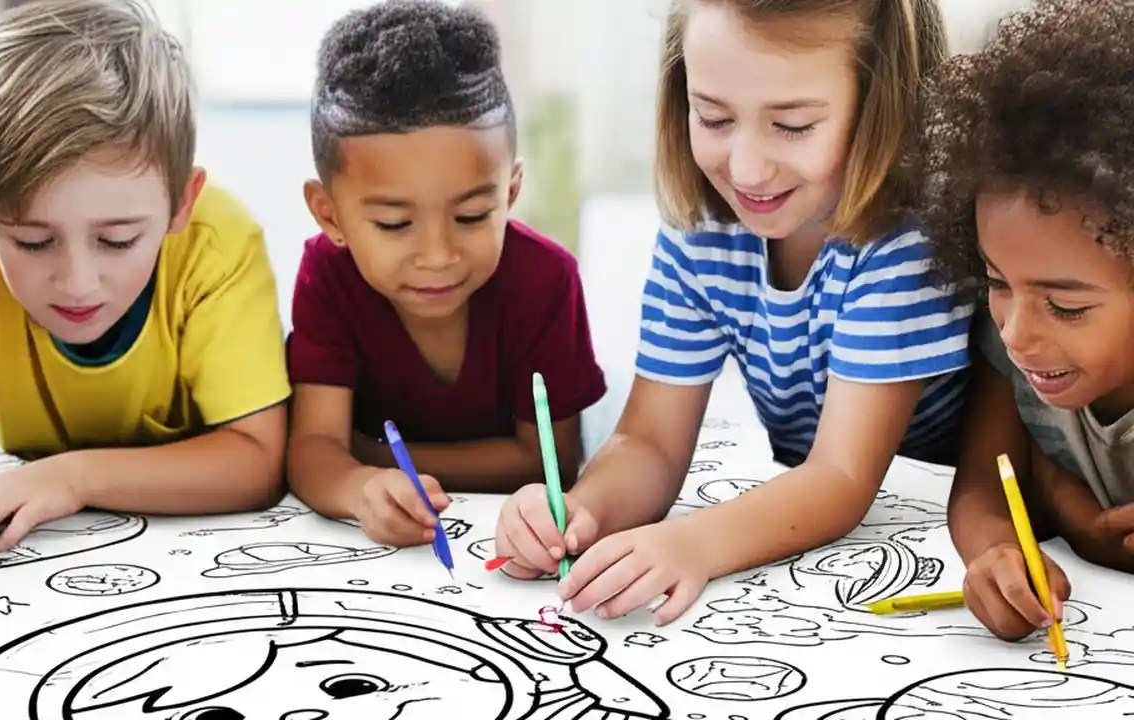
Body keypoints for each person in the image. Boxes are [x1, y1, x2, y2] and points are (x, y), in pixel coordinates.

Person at [496, 0, 971, 625]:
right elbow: (649, 441)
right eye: (713, 117)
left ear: (883, 105)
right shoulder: (704, 231)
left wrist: (693, 543)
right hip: (819, 529)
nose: (745, 170)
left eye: (794, 125)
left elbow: (841, 477)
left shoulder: (905, 244)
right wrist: (581, 510)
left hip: (944, 534)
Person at [0, 0, 290, 563]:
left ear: (182, 200)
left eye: (117, 240)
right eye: (33, 242)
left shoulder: (219, 243)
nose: (77, 284)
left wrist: (76, 478)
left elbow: (256, 459)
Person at [286, 0, 606, 548]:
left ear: (510, 191)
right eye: (393, 223)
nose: (437, 255)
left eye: (472, 216)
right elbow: (312, 450)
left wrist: (369, 454)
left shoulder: (546, 281)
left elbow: (548, 463)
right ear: (329, 214)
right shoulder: (327, 277)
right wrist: (360, 488)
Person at [920, 0, 1134, 641]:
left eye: (1067, 305)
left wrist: (1072, 513)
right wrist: (994, 553)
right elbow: (987, 482)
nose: (1015, 332)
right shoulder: (1014, 347)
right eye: (995, 281)